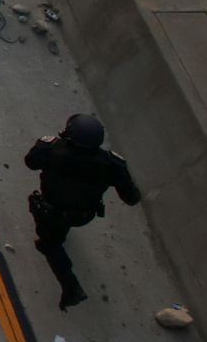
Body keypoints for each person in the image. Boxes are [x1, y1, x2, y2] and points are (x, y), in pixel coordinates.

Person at [24, 114, 139, 309]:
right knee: (62, 227)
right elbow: (132, 198)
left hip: (50, 212)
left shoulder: (52, 149)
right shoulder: (111, 164)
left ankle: (71, 287)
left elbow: (30, 162)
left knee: (51, 244)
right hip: (83, 215)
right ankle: (58, 237)